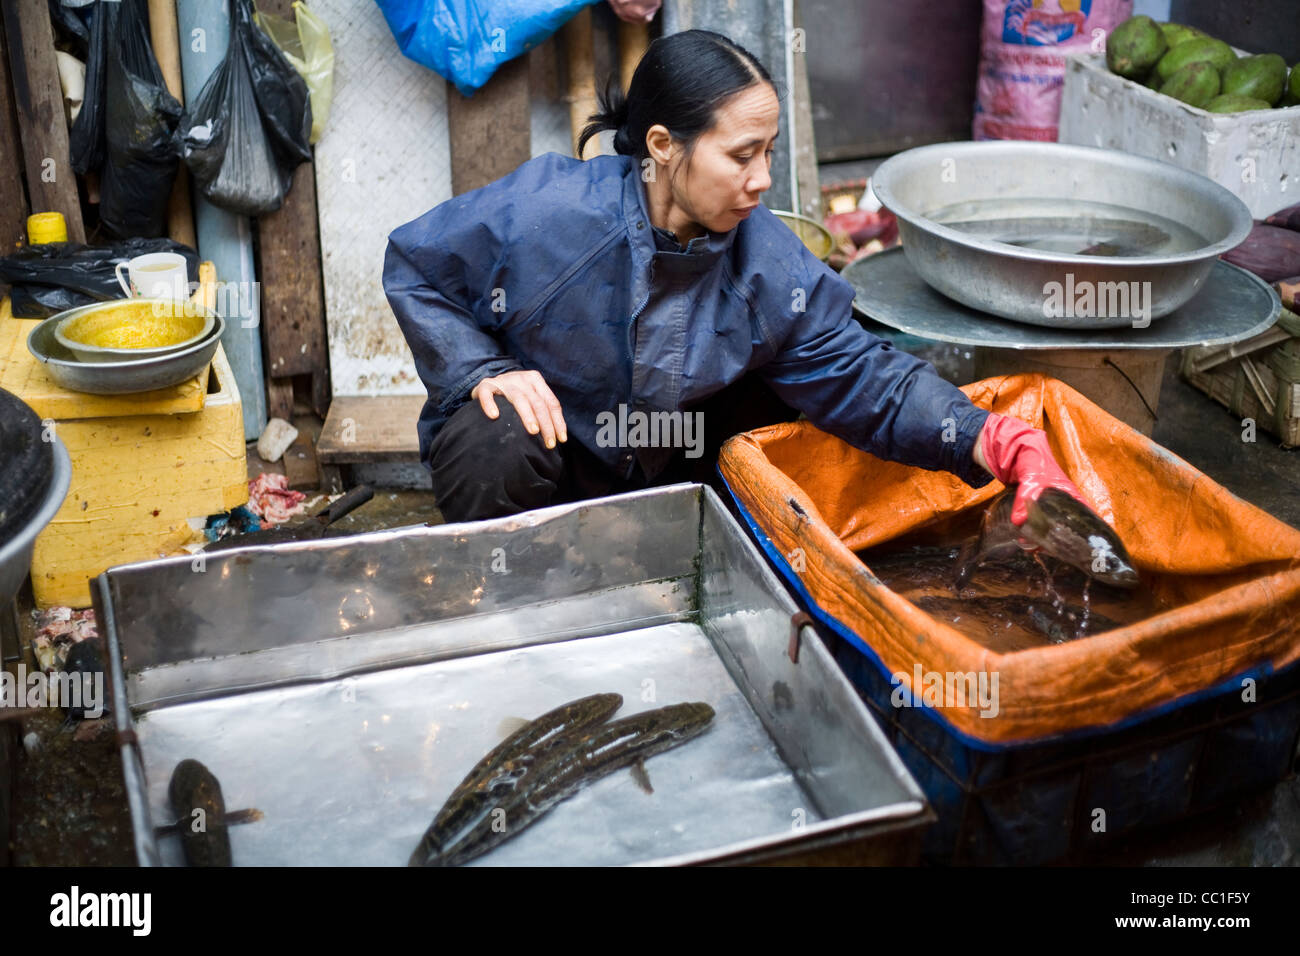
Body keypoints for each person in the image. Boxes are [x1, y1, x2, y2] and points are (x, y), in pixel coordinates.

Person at [383, 29, 1087, 527]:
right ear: (663, 146)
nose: (764, 180)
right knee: (495, 436)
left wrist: (985, 437)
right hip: (560, 455)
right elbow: (416, 265)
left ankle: (712, 555)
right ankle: (511, 606)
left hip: (663, 460)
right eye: (743, 155)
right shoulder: (547, 212)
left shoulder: (765, 257)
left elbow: (862, 376)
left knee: (788, 405)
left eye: (770, 152)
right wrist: (483, 368)